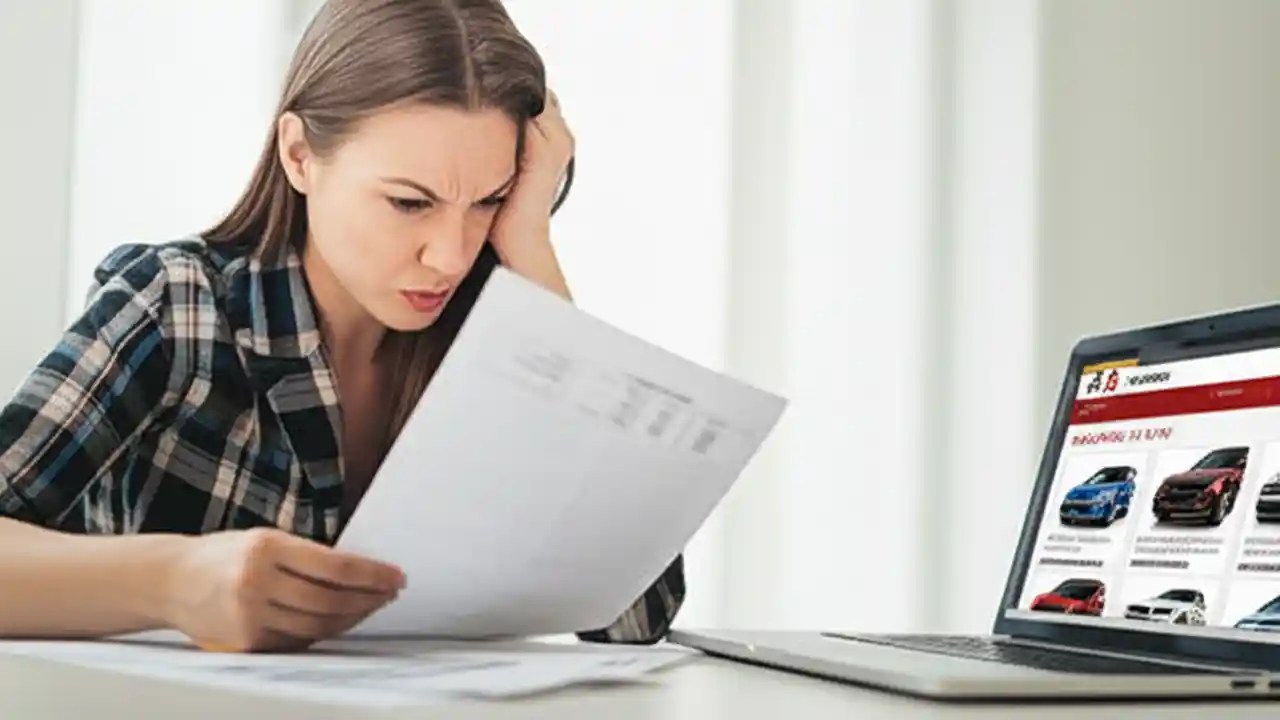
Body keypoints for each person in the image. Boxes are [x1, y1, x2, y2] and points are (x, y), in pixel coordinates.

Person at [0, 0, 683, 652]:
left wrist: (530, 246)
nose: (451, 256)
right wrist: (173, 581)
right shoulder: (178, 307)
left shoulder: (497, 339)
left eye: (489, 201)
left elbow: (638, 617)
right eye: (409, 203)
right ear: (300, 155)